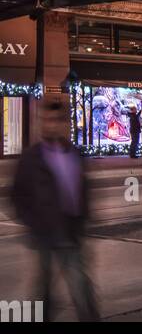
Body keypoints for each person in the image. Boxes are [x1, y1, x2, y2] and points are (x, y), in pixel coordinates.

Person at [12, 99, 99, 322]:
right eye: (47, 120)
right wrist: (33, 222)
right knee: (44, 290)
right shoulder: (31, 158)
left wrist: (85, 222)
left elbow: (84, 190)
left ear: (65, 124)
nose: (51, 125)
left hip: (71, 232)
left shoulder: (74, 155)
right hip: (45, 233)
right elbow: (17, 196)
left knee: (81, 288)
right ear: (41, 123)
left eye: (57, 120)